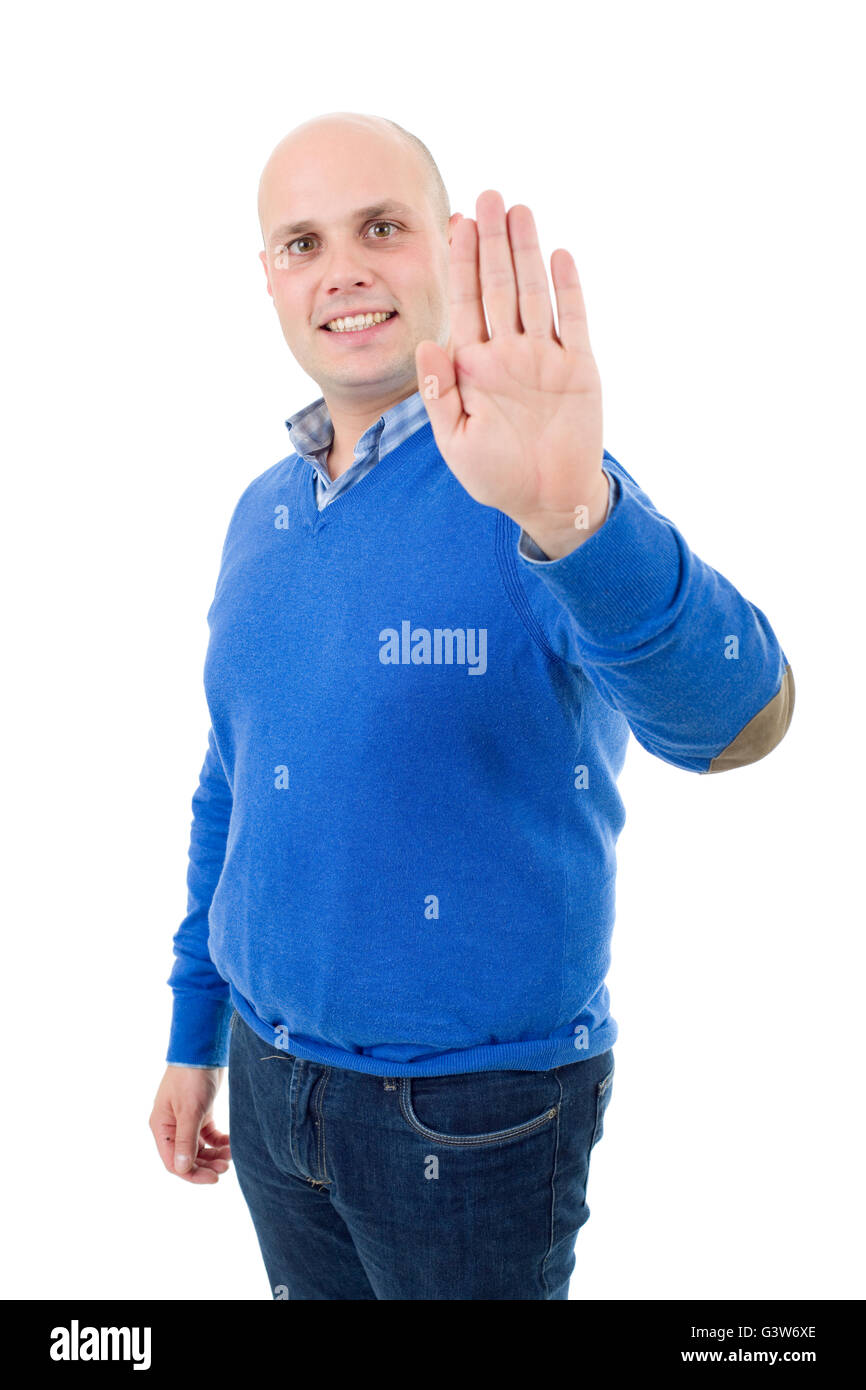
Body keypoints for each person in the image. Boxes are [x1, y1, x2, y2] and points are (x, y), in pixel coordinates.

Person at [149, 110, 795, 1300]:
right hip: (269, 1078)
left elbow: (739, 719)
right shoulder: (259, 511)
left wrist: (571, 515)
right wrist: (196, 1032)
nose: (338, 268)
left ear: (446, 252)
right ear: (269, 279)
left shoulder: (526, 483)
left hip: (472, 1113)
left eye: (379, 228)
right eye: (301, 243)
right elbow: (230, 781)